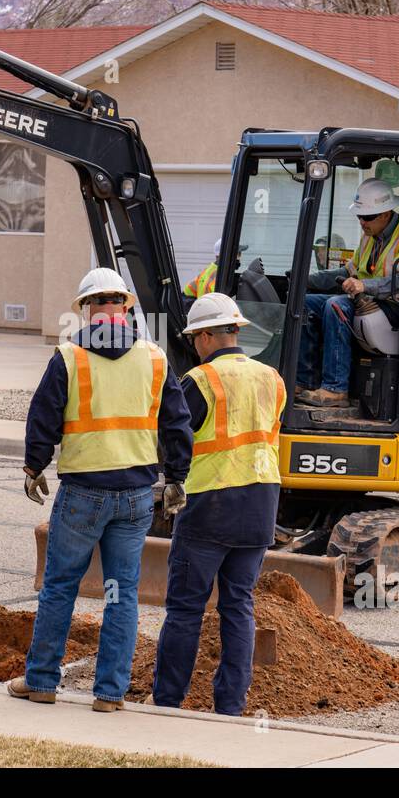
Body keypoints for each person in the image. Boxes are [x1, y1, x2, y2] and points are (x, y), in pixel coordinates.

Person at [10, 267, 193, 711]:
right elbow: (176, 422)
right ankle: (109, 694)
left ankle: (42, 682)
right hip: (135, 495)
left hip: (83, 493)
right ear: (126, 306)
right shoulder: (154, 358)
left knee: (60, 588)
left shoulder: (69, 358)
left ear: (88, 310)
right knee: (120, 592)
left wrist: (35, 465)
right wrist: (177, 477)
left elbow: (44, 416)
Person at [152, 293, 285, 716]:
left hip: (211, 506)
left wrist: (170, 480)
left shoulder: (201, 380)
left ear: (208, 335)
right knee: (239, 606)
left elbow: (176, 437)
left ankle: (168, 702)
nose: (194, 344)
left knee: (185, 610)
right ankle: (230, 706)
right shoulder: (272, 378)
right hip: (261, 504)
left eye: (195, 337)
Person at [296, 178, 399, 406]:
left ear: (385, 214)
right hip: (364, 300)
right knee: (306, 303)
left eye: (366, 217)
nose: (361, 222)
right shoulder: (370, 235)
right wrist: (306, 278)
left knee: (335, 305)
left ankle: (336, 389)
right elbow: (350, 270)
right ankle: (305, 380)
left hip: (395, 308)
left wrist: (364, 286)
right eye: (359, 216)